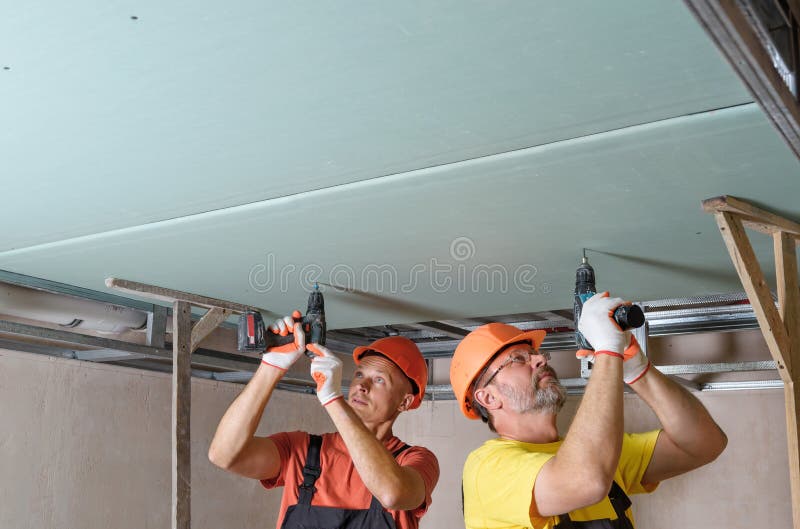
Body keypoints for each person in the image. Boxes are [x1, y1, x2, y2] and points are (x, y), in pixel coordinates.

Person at [449, 292, 727, 529]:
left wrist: (637, 370)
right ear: (488, 397)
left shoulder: (600, 452)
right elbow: (586, 480)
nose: (540, 359)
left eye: (536, 354)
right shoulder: (486, 469)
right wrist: (607, 351)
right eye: (518, 359)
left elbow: (704, 444)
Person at [209, 312, 439, 529]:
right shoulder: (302, 450)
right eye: (359, 374)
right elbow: (224, 455)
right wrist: (270, 368)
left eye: (379, 379)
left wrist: (333, 400)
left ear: (404, 402)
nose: (361, 385)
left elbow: (392, 494)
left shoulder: (416, 460)